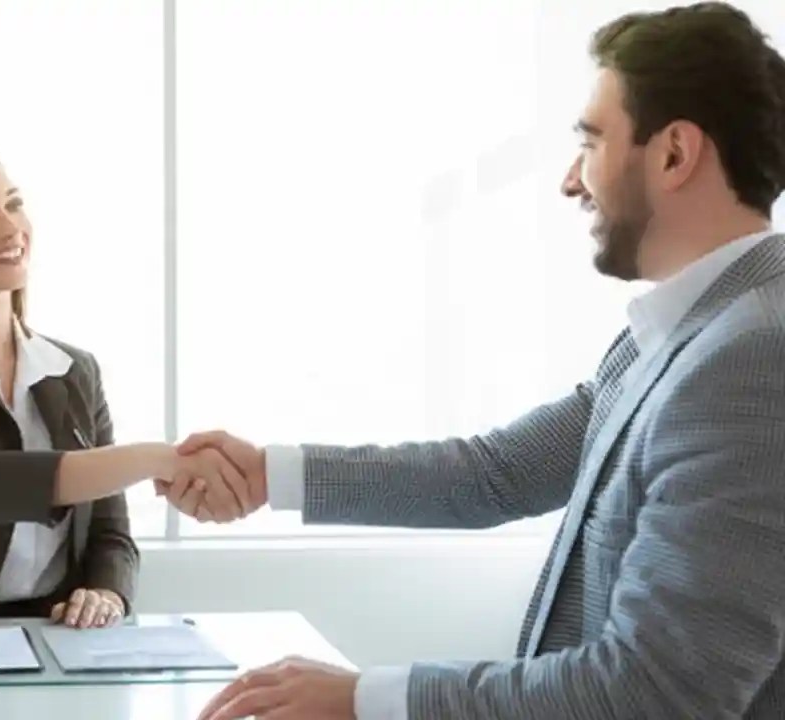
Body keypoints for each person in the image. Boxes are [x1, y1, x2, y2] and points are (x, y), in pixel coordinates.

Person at [174, 3, 785, 718]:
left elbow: (657, 690)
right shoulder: (678, 336)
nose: (571, 180)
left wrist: (366, 699)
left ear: (674, 154)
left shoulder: (749, 361)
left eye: (591, 142)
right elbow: (496, 473)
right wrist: (268, 475)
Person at [0, 142, 251, 627]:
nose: (9, 226)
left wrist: (106, 593)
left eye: (13, 204)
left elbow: (109, 533)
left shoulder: (74, 372)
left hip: (49, 634)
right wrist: (158, 458)